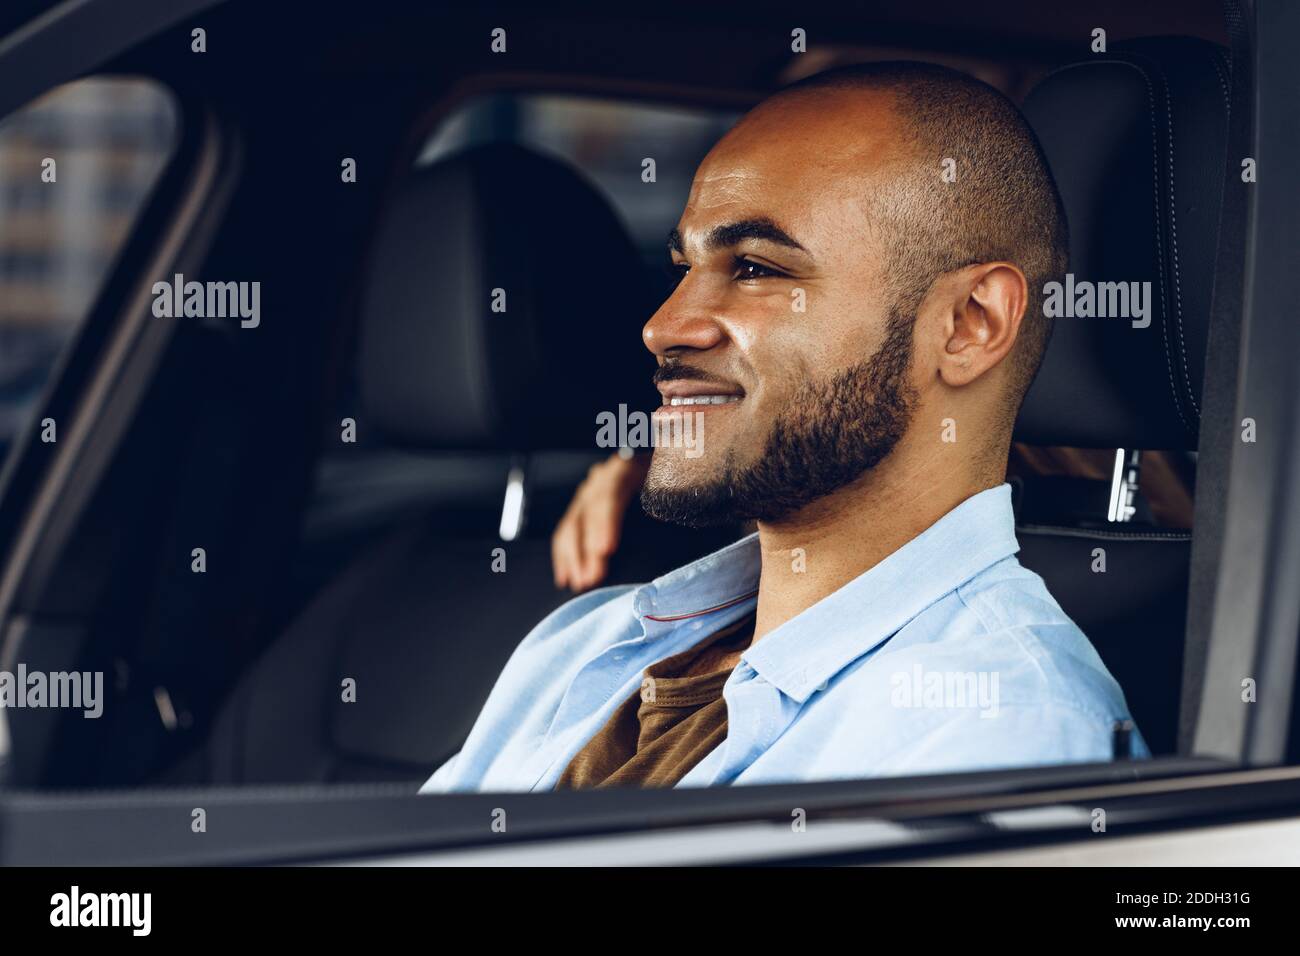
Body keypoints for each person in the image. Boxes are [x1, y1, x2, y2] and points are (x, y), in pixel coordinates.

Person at [420, 61, 1148, 794]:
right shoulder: (583, 645)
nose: (662, 327)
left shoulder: (992, 728)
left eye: (757, 269)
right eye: (685, 266)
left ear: (968, 325)